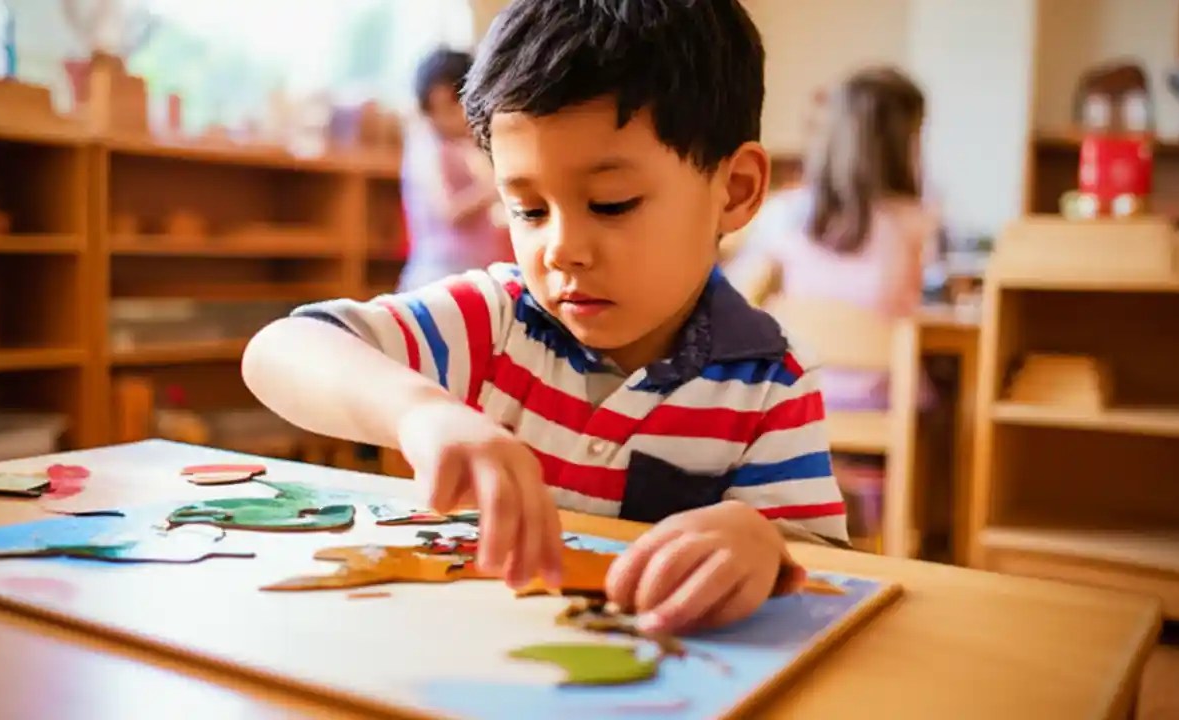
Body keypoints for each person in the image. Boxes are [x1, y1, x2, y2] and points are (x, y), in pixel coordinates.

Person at [242, 0, 847, 635]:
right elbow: (281, 348)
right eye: (528, 210)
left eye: (611, 204)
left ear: (736, 189)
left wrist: (761, 542)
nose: (560, 249)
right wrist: (419, 411)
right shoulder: (497, 322)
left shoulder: (768, 382)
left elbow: (829, 575)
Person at [729, 66, 938, 411]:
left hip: (794, 397)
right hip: (883, 403)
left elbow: (736, 298)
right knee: (947, 396)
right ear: (906, 143)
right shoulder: (915, 222)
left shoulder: (784, 213)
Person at [397, 48, 510, 292]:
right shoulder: (427, 147)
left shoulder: (468, 143)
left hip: (480, 274)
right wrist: (496, 184)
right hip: (439, 276)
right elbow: (448, 210)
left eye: (455, 107)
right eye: (440, 111)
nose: (450, 119)